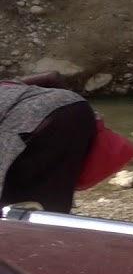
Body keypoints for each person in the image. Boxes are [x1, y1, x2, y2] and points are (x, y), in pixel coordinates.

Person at [0, 72, 98, 212]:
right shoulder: (7, 85)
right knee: (54, 189)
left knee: (13, 197)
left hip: (29, 124)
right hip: (76, 106)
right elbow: (53, 76)